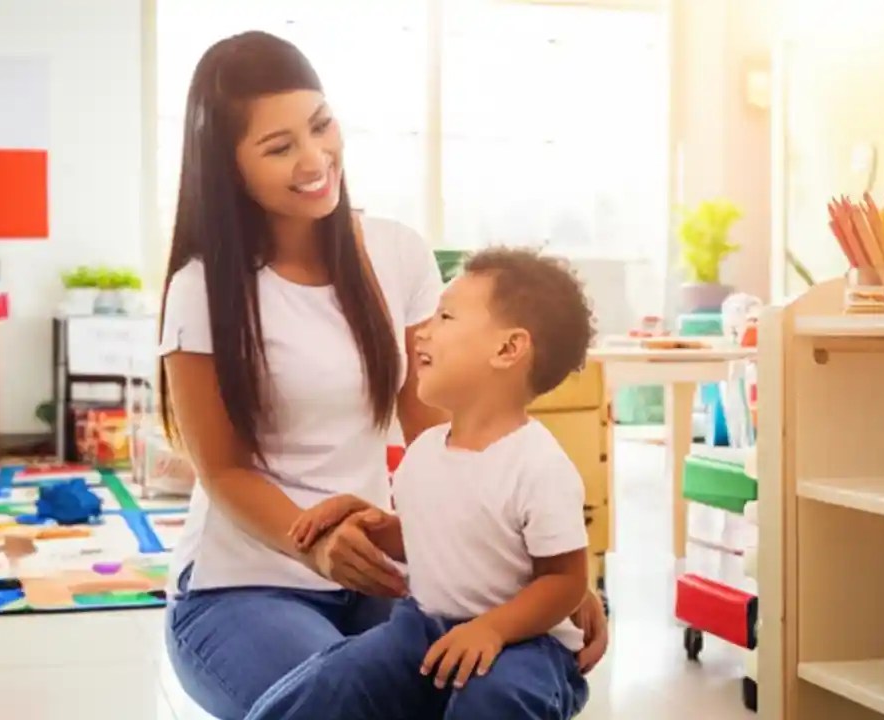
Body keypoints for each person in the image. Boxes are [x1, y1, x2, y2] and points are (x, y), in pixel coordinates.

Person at [157, 30, 608, 720]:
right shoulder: (202, 289)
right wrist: (316, 543)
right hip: (243, 584)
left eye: (321, 126)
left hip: (387, 573)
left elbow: (451, 438)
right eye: (279, 148)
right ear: (229, 168)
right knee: (343, 701)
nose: (316, 160)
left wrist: (551, 574)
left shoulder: (396, 254)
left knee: (482, 684)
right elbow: (223, 471)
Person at [247, 248, 597, 720]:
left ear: (508, 349)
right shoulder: (425, 452)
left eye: (445, 316)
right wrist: (367, 523)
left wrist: (492, 629)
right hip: (424, 625)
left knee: (495, 697)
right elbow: (431, 540)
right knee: (336, 679)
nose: (422, 332)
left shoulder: (539, 466)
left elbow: (564, 580)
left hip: (528, 644)